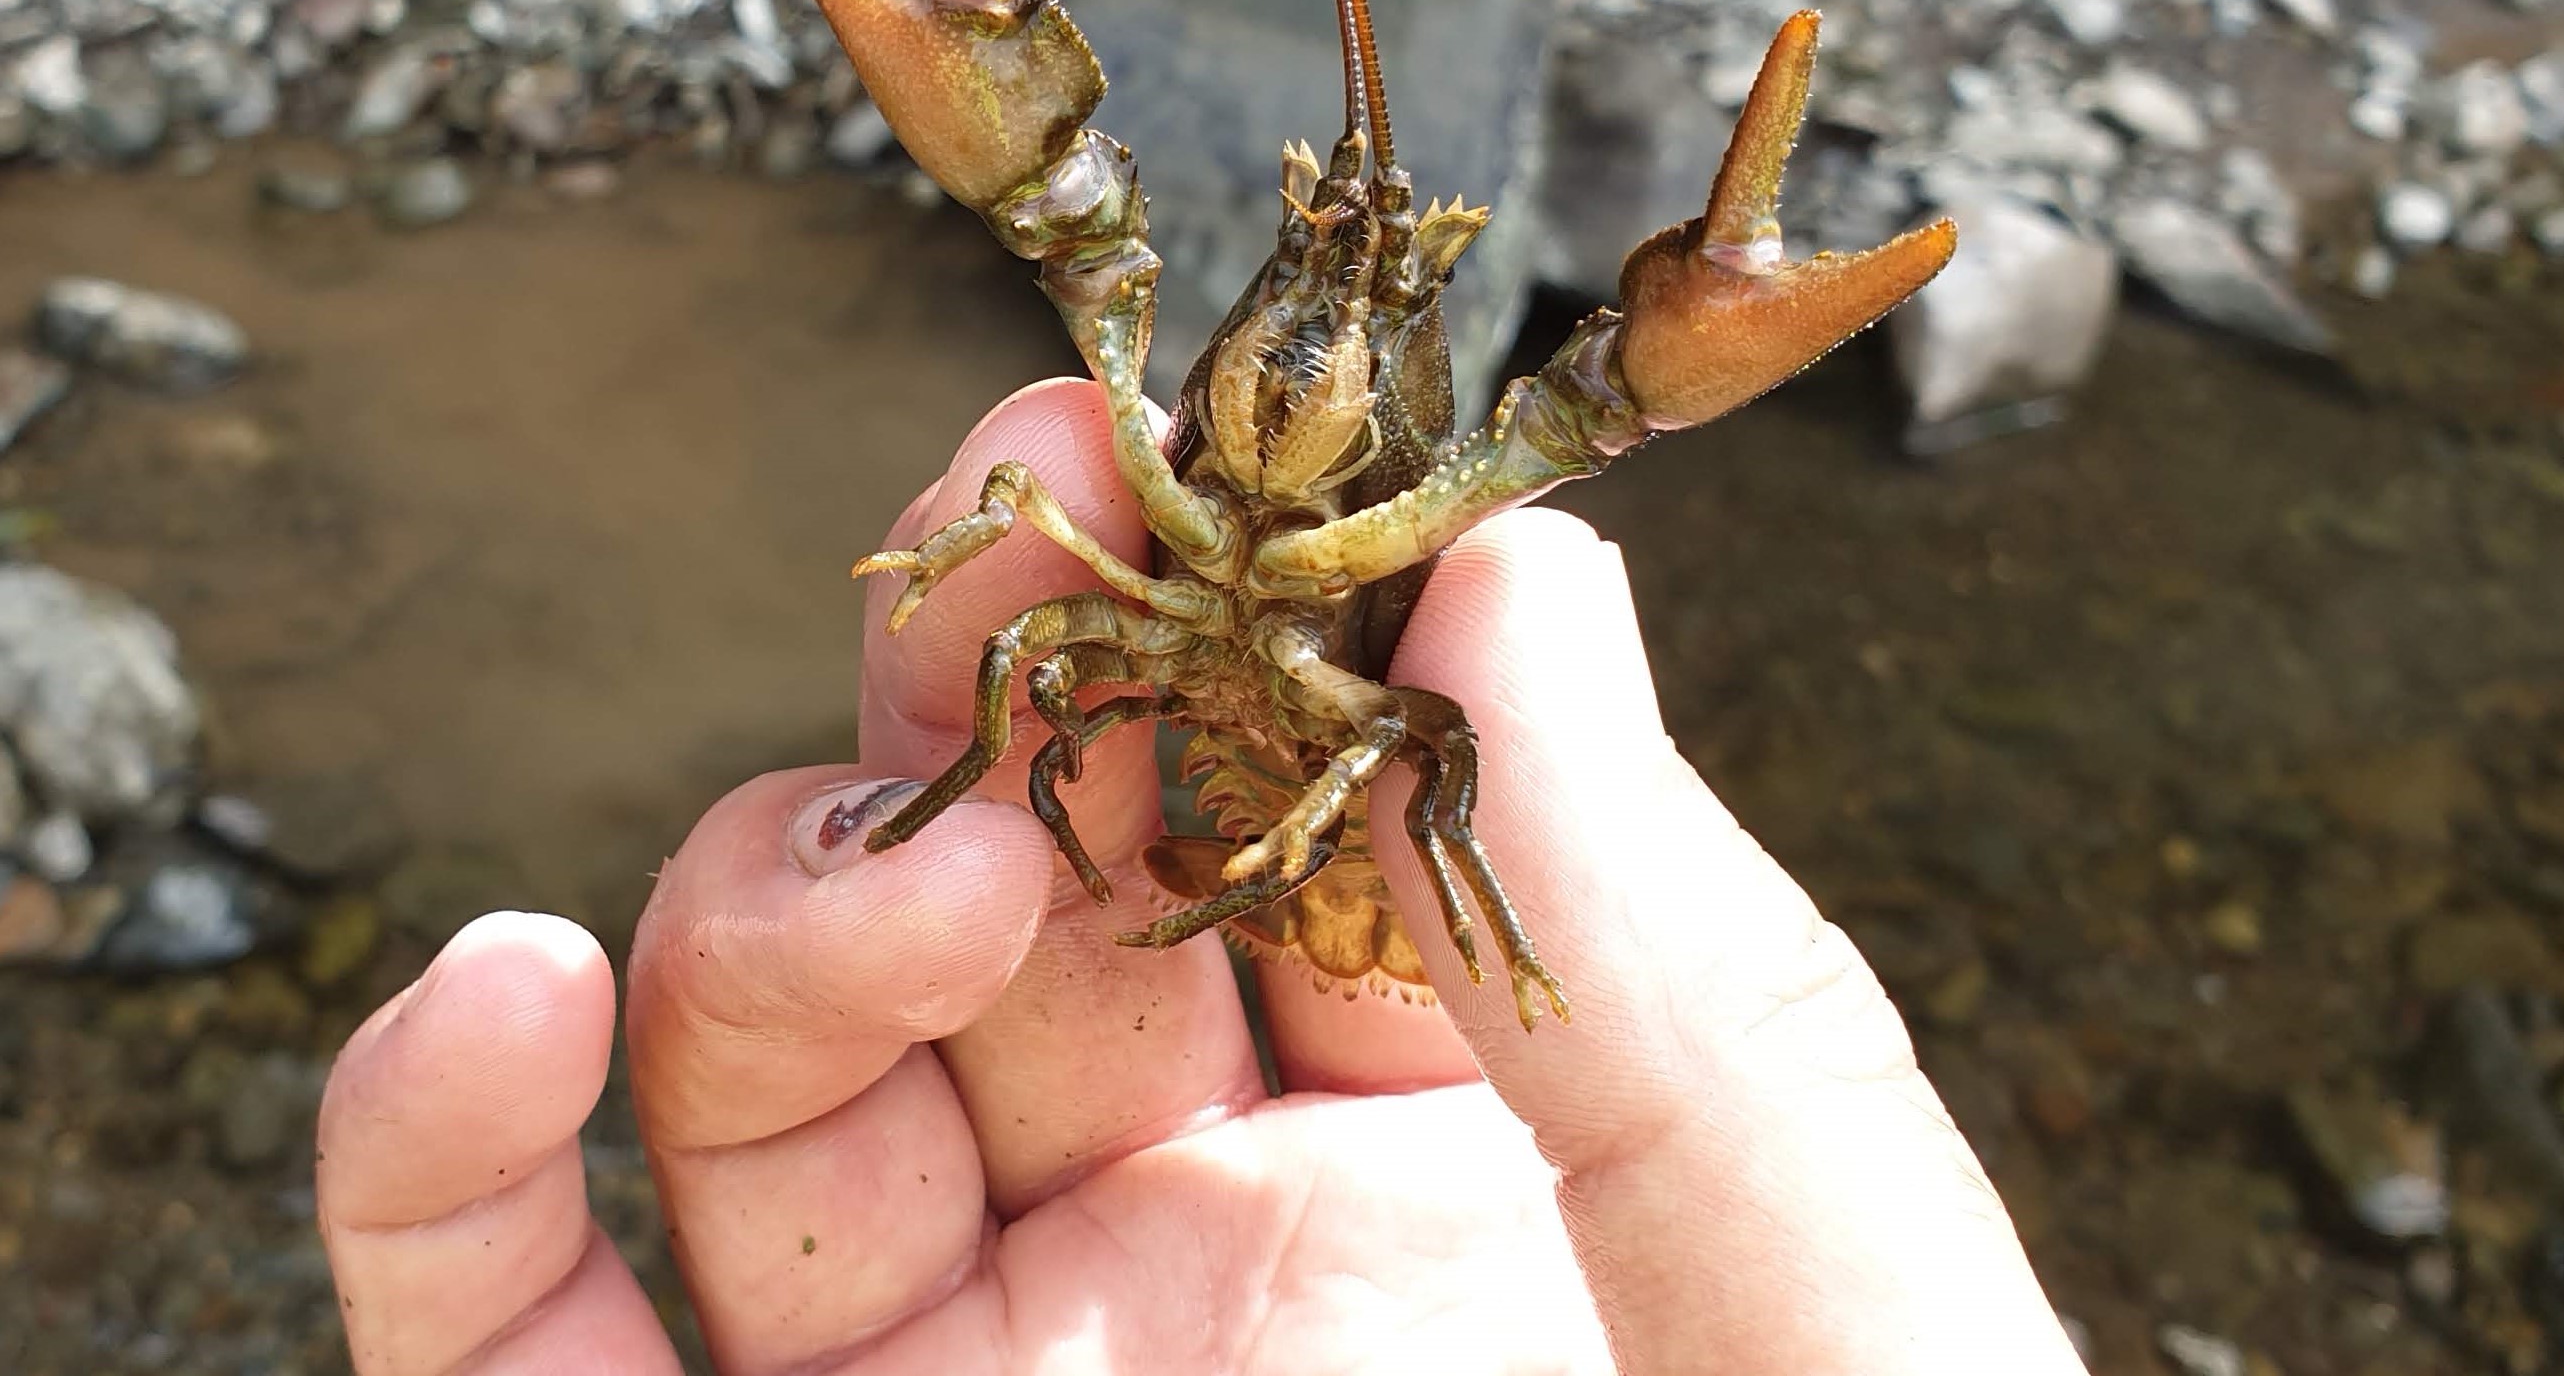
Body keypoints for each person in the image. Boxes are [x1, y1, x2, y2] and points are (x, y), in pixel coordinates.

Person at [314, 379, 2085, 1375]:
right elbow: (1041, 510)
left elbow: (1444, 735)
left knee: (1427, 728)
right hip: (1194, 775)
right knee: (1021, 648)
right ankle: (958, 820)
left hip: (1317, 801)